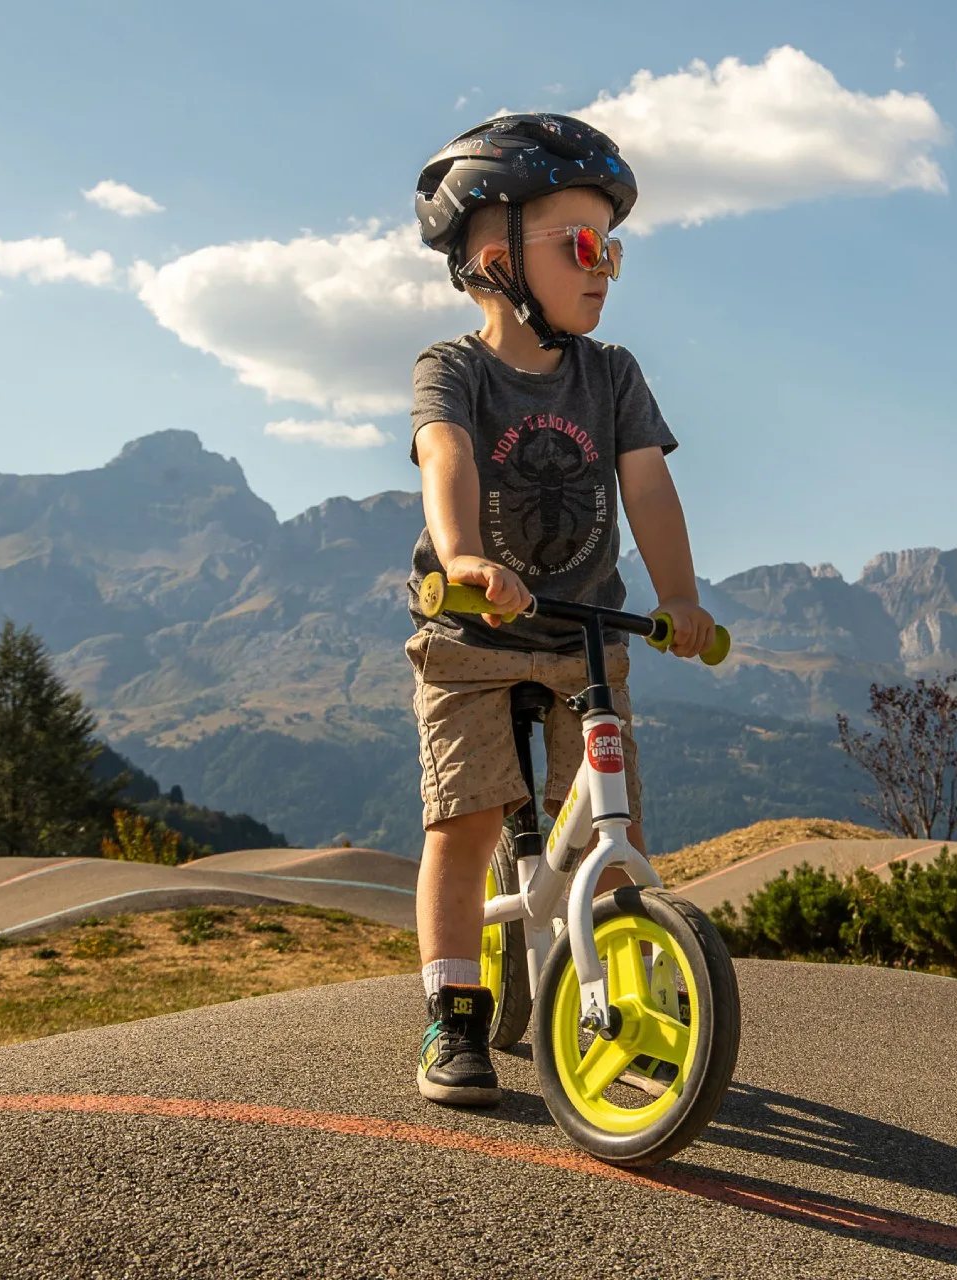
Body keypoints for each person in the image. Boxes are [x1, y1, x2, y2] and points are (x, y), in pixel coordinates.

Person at [405, 114, 716, 1106]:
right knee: (464, 820)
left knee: (610, 827)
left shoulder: (612, 373)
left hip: (586, 642)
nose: (605, 269)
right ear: (495, 259)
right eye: (582, 245)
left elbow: (649, 489)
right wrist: (462, 557)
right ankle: (452, 1015)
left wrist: (680, 599)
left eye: (611, 249)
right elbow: (447, 455)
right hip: (475, 638)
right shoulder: (453, 370)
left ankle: (631, 993)